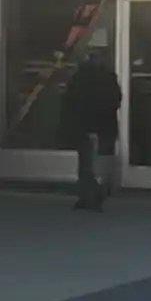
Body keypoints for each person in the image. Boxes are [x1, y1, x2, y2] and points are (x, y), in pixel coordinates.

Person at [62, 53, 122, 211]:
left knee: (86, 162)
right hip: (105, 126)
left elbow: (70, 101)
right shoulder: (109, 77)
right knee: (101, 161)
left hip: (84, 125)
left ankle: (87, 195)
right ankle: (99, 191)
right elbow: (116, 100)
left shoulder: (79, 78)